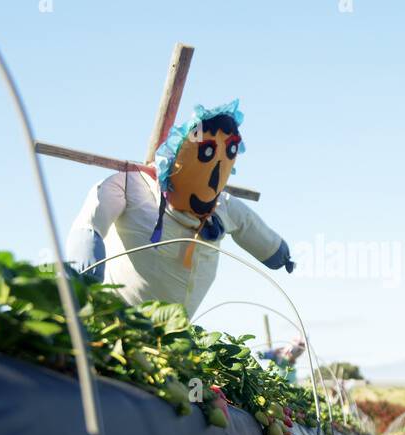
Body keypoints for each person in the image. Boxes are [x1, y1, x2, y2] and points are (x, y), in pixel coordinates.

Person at [66, 100, 294, 313]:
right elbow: (91, 221)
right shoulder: (132, 186)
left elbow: (250, 226)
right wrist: (85, 269)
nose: (214, 177)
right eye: (206, 152)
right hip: (121, 319)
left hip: (174, 332)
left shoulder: (221, 206)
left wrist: (279, 254)